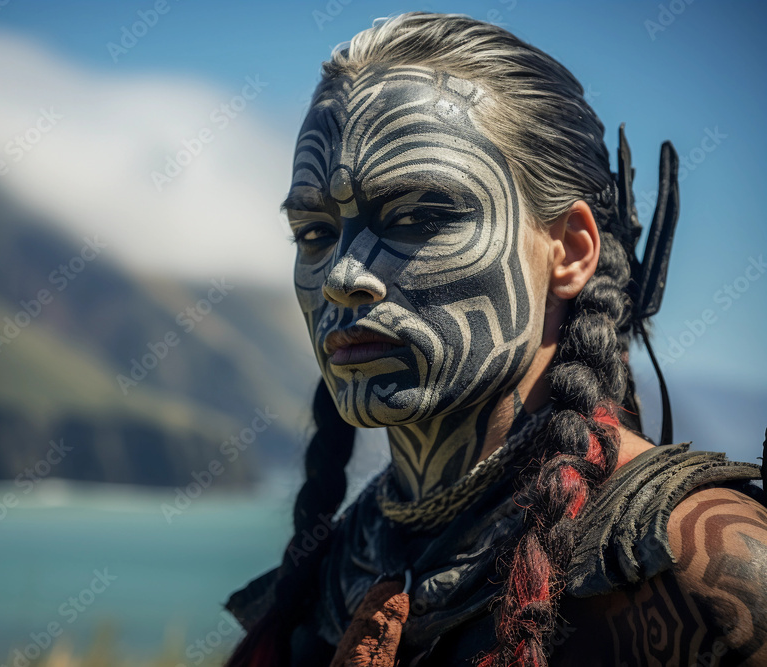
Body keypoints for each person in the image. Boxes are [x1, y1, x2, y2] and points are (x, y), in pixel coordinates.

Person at [224, 12, 767, 667]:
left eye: (421, 215)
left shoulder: (702, 561)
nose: (342, 275)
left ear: (569, 249)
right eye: (314, 233)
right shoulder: (320, 582)